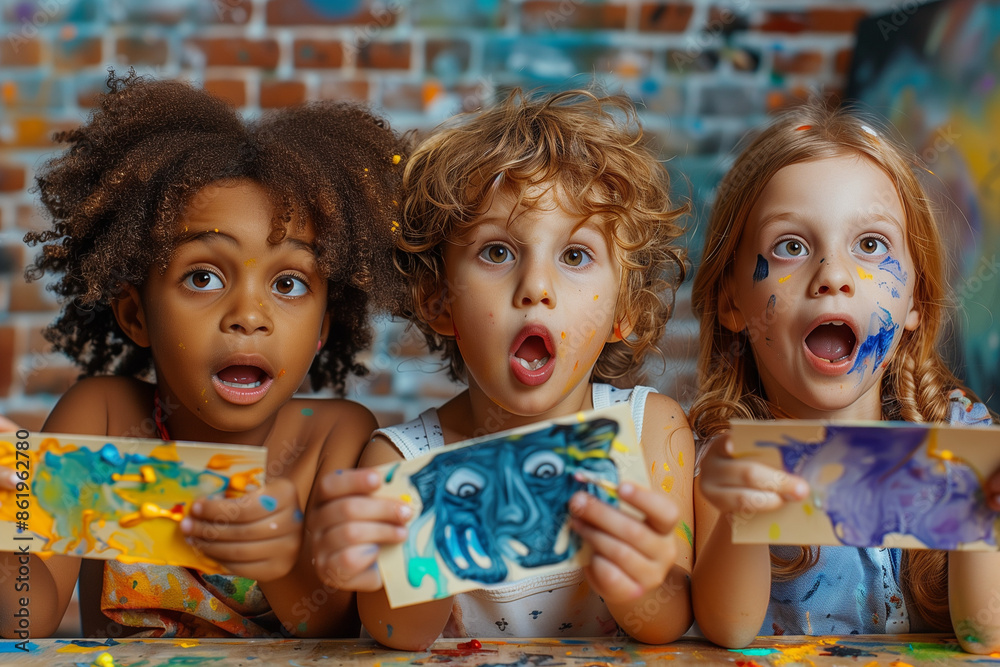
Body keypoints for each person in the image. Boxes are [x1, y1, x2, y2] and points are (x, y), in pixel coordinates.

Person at [0, 70, 406, 639]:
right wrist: (8, 530)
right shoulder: (104, 420)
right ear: (136, 315)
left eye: (288, 284)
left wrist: (282, 562)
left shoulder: (332, 437)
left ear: (322, 330)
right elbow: (25, 620)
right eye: (204, 276)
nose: (249, 313)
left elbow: (333, 630)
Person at [308, 89, 695, 650]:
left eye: (575, 255)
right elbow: (396, 635)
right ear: (440, 299)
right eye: (497, 252)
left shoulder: (652, 431)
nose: (535, 288)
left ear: (623, 310)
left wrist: (637, 582)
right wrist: (425, 552)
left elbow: (667, 623)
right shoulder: (402, 460)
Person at [688, 100, 1000, 654]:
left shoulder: (963, 436)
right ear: (732, 300)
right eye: (790, 247)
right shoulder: (724, 457)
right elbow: (730, 630)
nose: (833, 276)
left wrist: (981, 521)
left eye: (871, 245)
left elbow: (986, 636)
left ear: (915, 302)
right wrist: (742, 511)